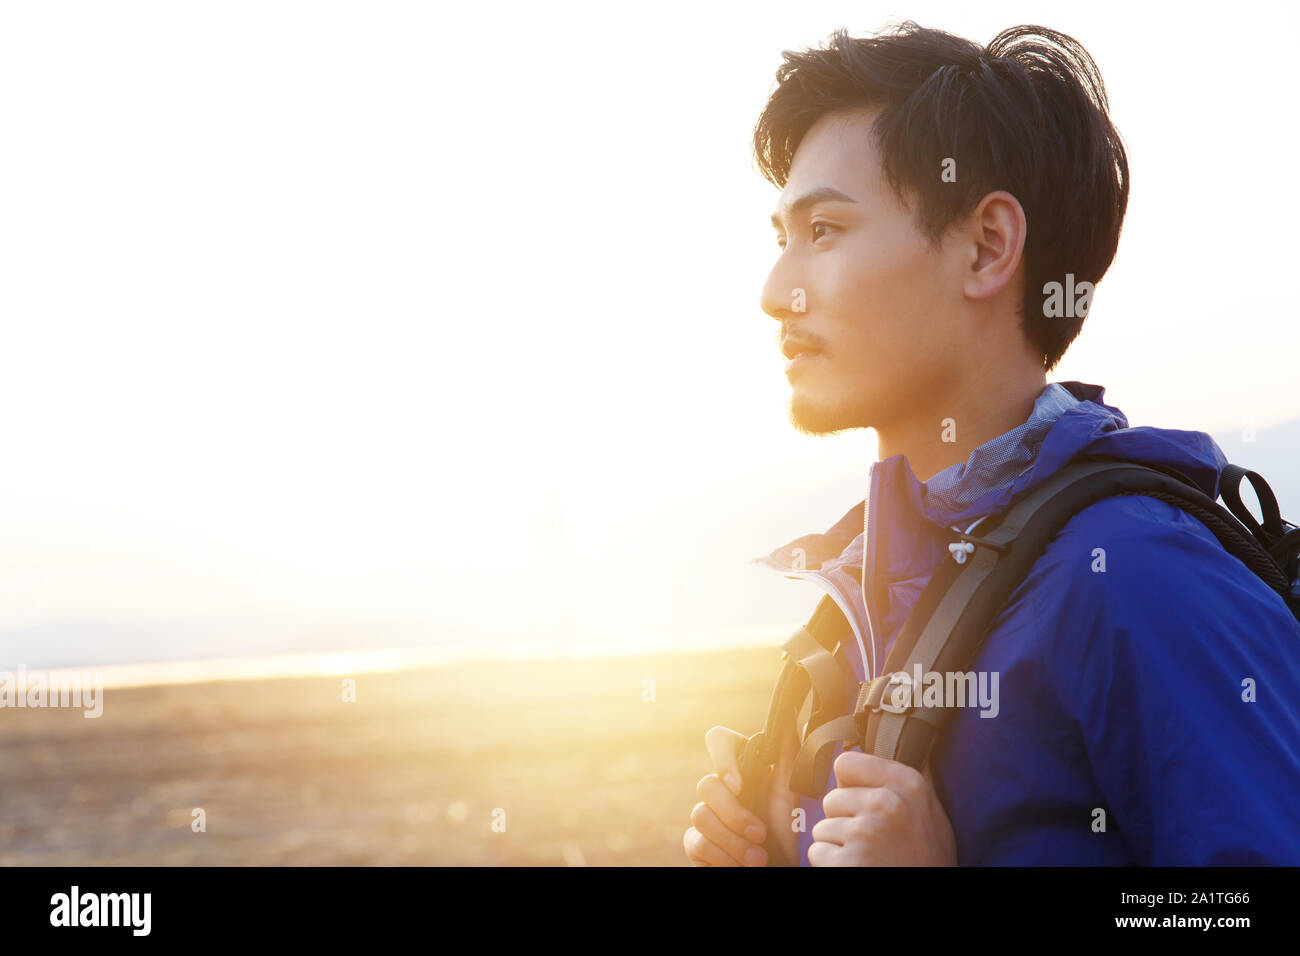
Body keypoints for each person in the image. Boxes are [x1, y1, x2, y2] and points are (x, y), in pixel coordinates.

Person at [683, 21, 1300, 866]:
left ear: (986, 247)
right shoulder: (858, 602)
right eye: (781, 239)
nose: (775, 291)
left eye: (824, 230)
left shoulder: (1139, 574)